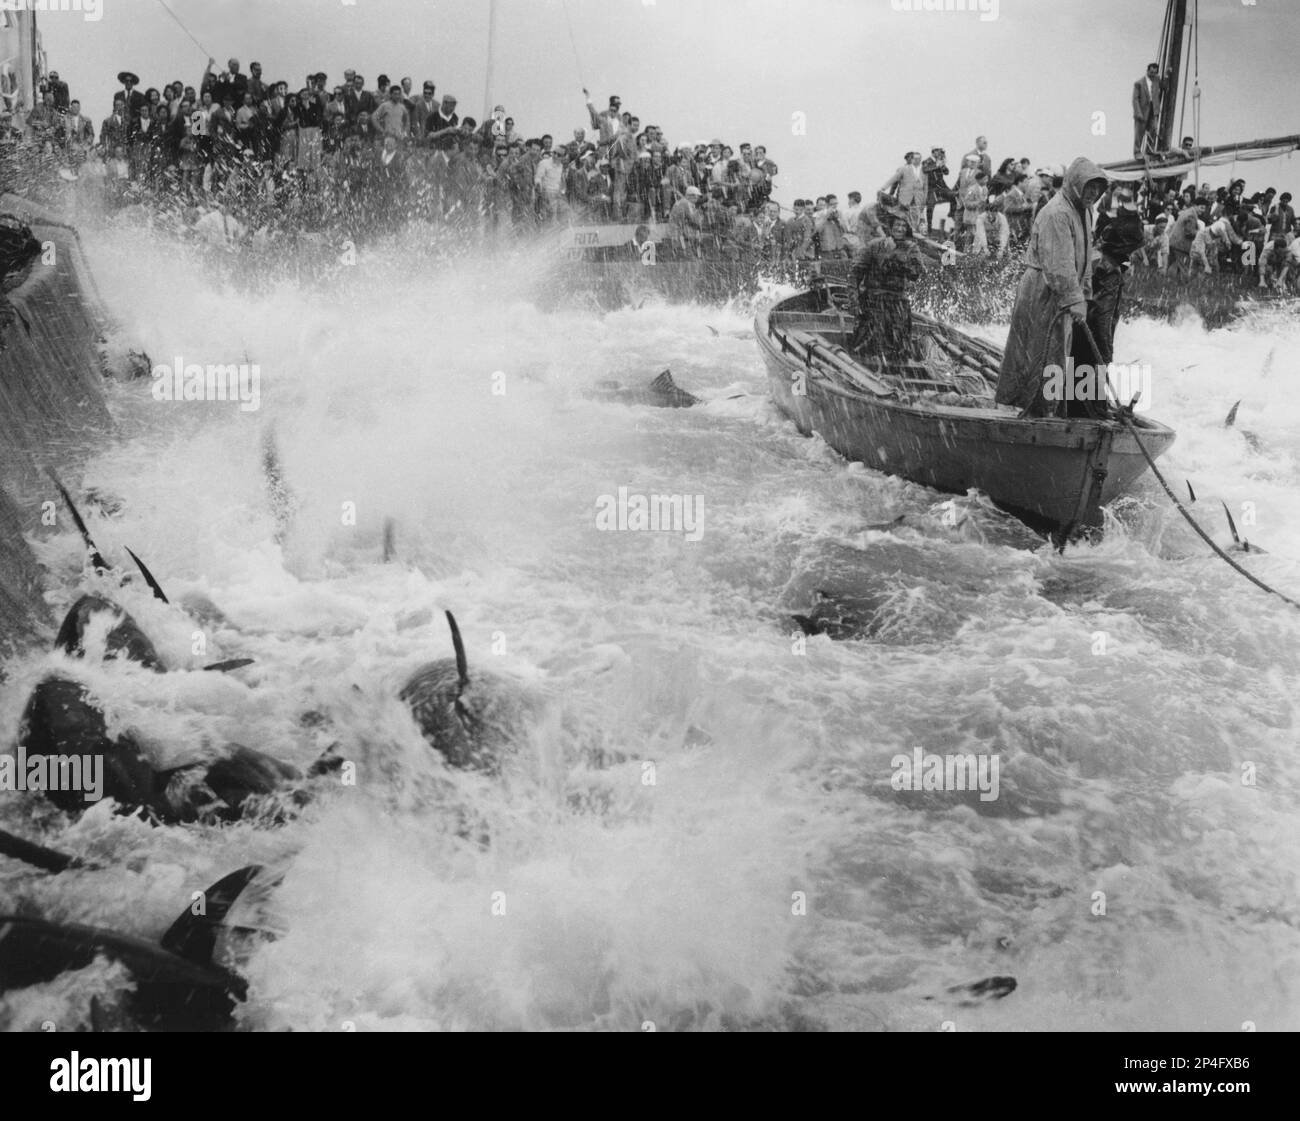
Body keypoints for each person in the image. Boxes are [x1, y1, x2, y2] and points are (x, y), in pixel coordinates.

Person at [995, 157, 1109, 416]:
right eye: (1088, 187)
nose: (1092, 193)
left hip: (1062, 288)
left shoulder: (1084, 210)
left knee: (1057, 353)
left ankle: (1047, 406)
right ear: (1075, 185)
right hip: (1043, 288)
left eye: (1097, 189)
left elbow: (1084, 255)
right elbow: (1058, 264)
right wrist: (1073, 298)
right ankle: (1032, 408)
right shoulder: (1058, 212)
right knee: (1039, 351)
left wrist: (1085, 293)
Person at [849, 208, 926, 363]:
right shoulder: (874, 246)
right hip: (874, 301)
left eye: (904, 226)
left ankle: (897, 369)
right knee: (870, 341)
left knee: (898, 344)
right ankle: (866, 366)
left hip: (897, 302)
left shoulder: (911, 248)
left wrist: (896, 258)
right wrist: (854, 300)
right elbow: (855, 273)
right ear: (890, 227)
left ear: (908, 229)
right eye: (897, 225)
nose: (900, 229)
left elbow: (915, 274)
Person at [1087, 187, 1145, 366]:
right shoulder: (1111, 271)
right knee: (1086, 390)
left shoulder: (1095, 256)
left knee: (1069, 387)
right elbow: (1102, 318)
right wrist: (1105, 357)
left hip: (1076, 336)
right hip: (1090, 346)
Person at [1132, 62, 1161, 159]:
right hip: (1142, 111)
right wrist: (1138, 113)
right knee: (1139, 132)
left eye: (1155, 73)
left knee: (1153, 129)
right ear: (1148, 71)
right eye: (1151, 72)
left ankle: (1149, 150)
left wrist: (1167, 74)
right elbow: (1135, 99)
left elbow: (1164, 86)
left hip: (1153, 110)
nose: (1153, 74)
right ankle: (1137, 152)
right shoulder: (1139, 83)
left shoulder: (1157, 80)